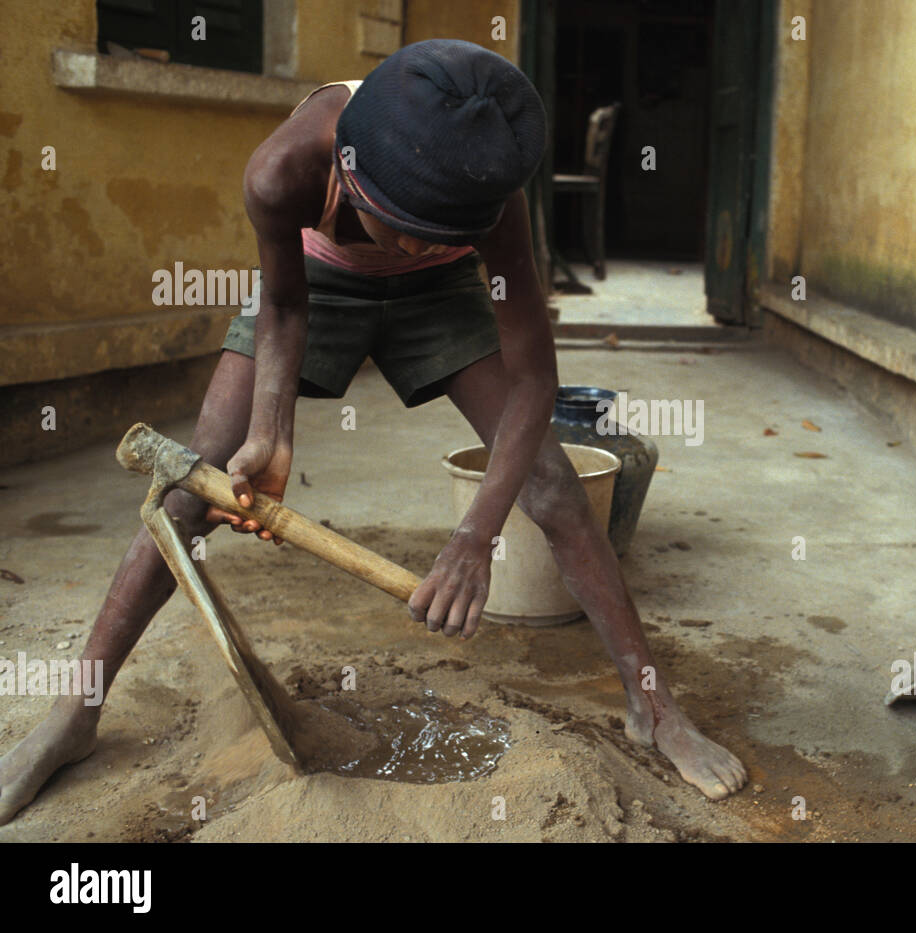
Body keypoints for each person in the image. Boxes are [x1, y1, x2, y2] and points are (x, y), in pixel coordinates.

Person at [0, 40, 745, 825]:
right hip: (317, 275)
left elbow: (532, 379)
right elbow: (285, 307)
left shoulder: (484, 187)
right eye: (406, 227)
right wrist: (271, 435)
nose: (421, 244)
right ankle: (74, 714)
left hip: (438, 301)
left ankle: (654, 709)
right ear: (351, 172)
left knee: (553, 484)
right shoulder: (284, 167)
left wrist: (474, 534)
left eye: (441, 232)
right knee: (191, 486)